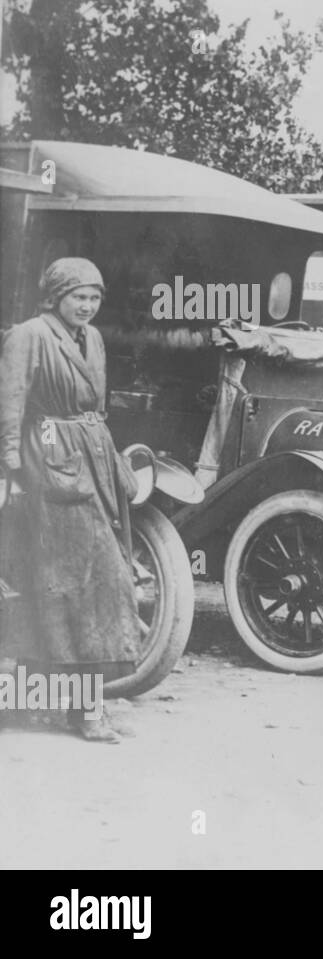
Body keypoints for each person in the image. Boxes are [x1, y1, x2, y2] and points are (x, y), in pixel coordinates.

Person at [0, 258, 141, 743]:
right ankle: (78, 711)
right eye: (78, 296)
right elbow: (9, 404)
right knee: (65, 586)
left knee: (95, 585)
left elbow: (94, 408)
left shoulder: (93, 339)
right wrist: (12, 471)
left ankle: (66, 705)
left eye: (94, 297)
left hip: (92, 462)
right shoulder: (30, 335)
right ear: (55, 296)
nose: (86, 305)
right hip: (49, 469)